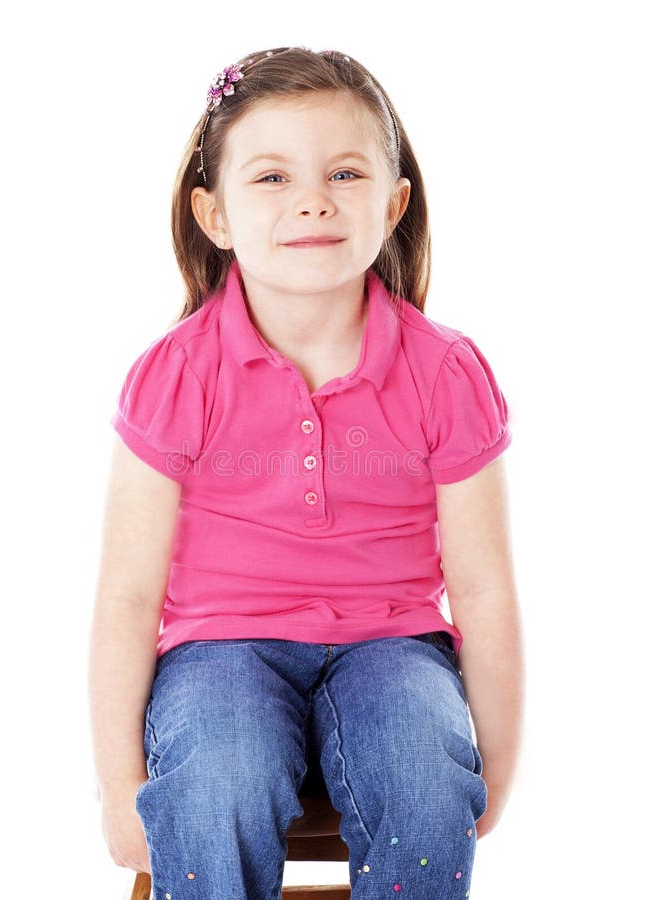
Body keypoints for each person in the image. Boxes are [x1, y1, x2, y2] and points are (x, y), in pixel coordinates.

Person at [88, 45, 524, 900]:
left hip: (393, 645)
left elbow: (483, 588)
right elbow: (127, 596)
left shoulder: (445, 373)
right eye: (272, 178)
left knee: (424, 776)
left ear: (395, 203)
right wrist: (116, 792)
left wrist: (497, 767)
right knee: (219, 776)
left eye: (347, 173)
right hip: (220, 649)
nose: (314, 200)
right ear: (213, 215)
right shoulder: (177, 374)